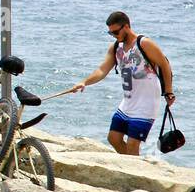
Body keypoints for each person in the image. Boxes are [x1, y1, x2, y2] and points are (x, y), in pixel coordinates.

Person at [68, 11, 175, 156]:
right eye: (110, 33)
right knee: (113, 138)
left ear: (126, 27)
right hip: (127, 104)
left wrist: (168, 91)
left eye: (116, 32)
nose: (114, 35)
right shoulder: (116, 47)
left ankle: (137, 173)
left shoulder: (144, 43)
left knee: (132, 144)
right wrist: (84, 82)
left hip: (146, 105)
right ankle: (136, 167)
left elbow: (165, 65)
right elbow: (102, 70)